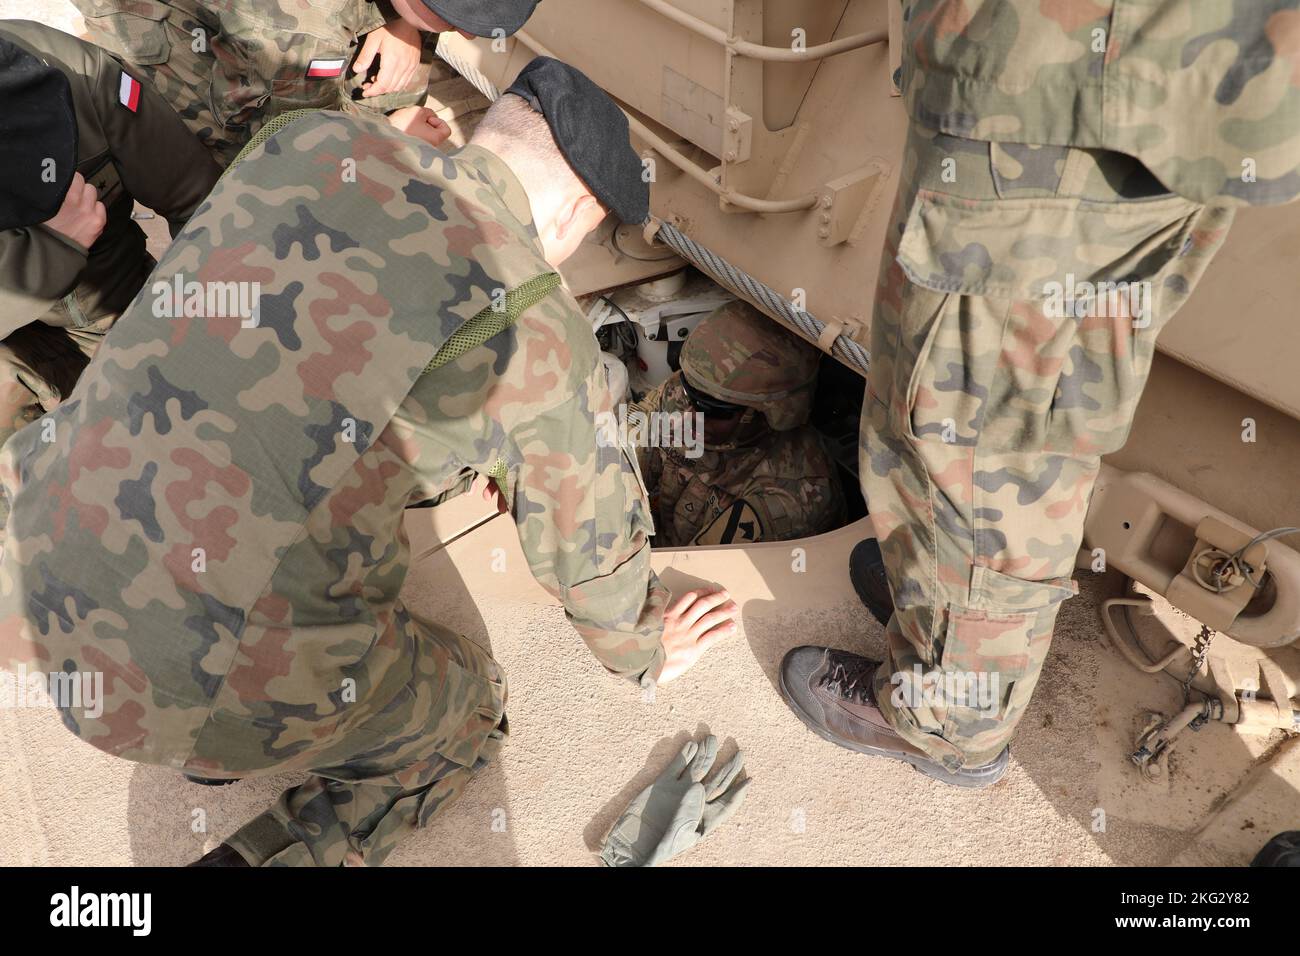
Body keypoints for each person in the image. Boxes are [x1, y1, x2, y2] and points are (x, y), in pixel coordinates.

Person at [0, 55, 738, 867]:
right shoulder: (533, 316)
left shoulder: (313, 137)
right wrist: (646, 648)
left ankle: (208, 724)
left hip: (33, 558)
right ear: (579, 211)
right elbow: (588, 551)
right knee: (466, 708)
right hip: (147, 698)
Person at [779, 0, 1300, 788]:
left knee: (975, 442)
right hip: (1098, 83)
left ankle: (949, 719)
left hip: (1075, 92)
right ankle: (941, 613)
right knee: (998, 405)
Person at [0, 20, 219, 533]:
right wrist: (53, 249)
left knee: (191, 471)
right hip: (11, 339)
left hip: (121, 311)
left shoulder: (81, 75)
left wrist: (193, 327)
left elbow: (201, 206)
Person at [72, 0, 542, 164]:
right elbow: (287, 135)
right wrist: (388, 138)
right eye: (452, 16)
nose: (463, 33)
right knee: (239, 170)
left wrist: (405, 24)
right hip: (160, 22)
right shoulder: (301, 28)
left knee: (399, 70)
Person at [632, 301, 845, 547]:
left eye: (712, 410)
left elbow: (701, 573)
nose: (689, 415)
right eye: (691, 393)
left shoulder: (789, 499)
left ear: (765, 414)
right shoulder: (694, 395)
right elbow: (622, 455)